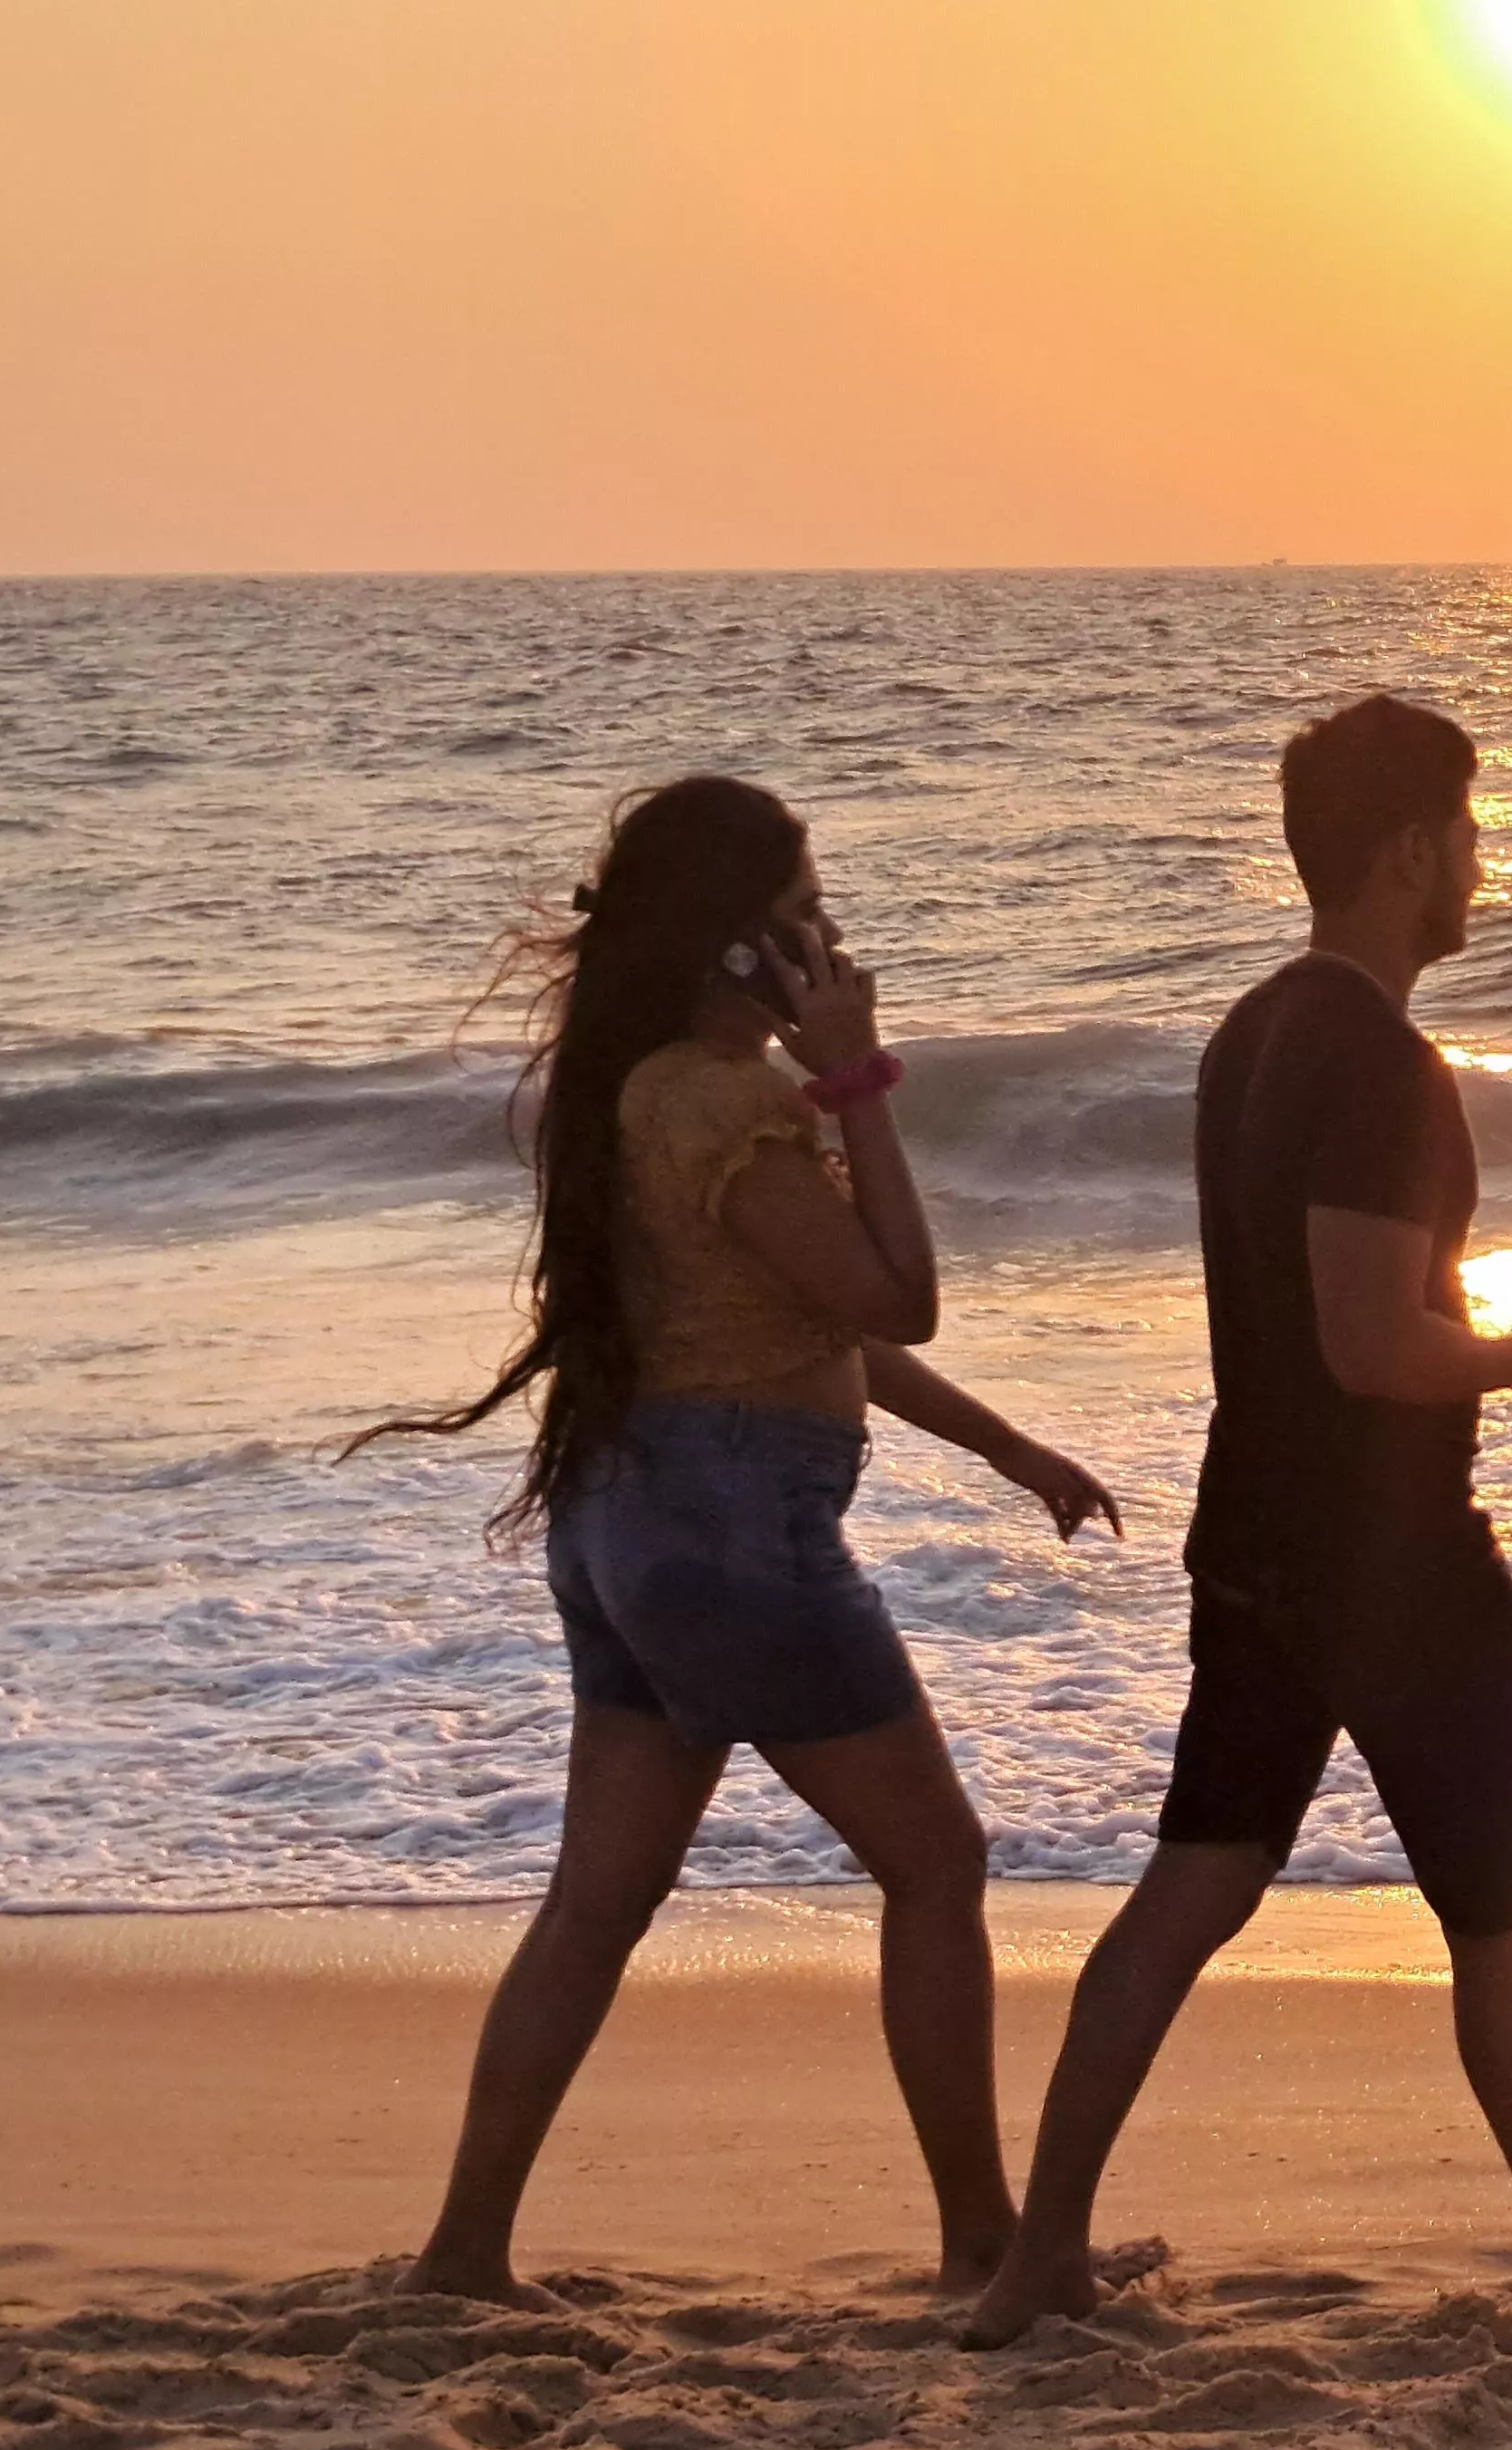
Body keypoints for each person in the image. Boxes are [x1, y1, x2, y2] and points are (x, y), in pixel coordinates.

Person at [965, 695, 1512, 2345]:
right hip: (1385, 1558)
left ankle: (1041, 2260)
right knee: (1502, 1924)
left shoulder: (1254, 1030)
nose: (1484, 866)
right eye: (1469, 836)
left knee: (1193, 1886)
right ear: (1411, 852)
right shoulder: (1380, 1062)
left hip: (1260, 1537)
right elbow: (1367, 1342)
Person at [368, 772, 1118, 2306]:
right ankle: (985, 2243)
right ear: (733, 949)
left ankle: (462, 2255)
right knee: (938, 1865)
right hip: (732, 1533)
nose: (832, 949)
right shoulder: (724, 1102)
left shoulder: (641, 1091)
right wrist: (856, 1085)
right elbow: (894, 1296)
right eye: (800, 923)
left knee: (595, 1905)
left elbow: (818, 1325)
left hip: (631, 1523)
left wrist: (1008, 1447)